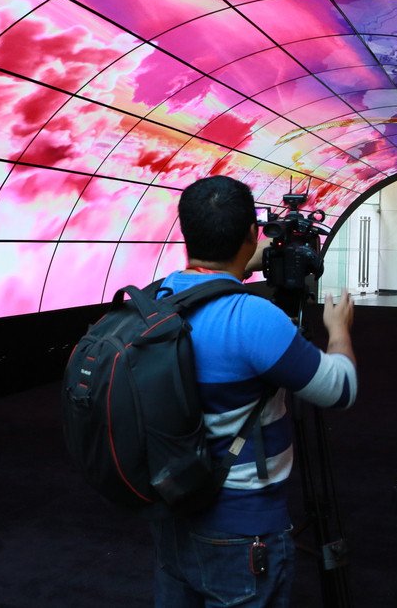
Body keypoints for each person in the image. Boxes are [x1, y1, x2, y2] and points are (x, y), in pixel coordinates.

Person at [149, 175, 358, 607]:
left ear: (186, 232)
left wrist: (248, 256)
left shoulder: (157, 299)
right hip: (242, 528)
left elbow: (210, 279)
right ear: (251, 234)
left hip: (173, 507)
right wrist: (339, 330)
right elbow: (341, 389)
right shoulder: (254, 320)